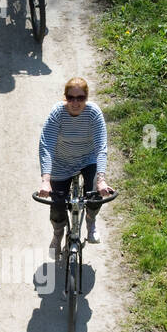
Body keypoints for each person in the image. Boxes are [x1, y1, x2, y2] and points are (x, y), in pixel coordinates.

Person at [38, 78, 112, 249]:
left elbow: (101, 147)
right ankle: (58, 233)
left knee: (94, 192)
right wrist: (46, 180)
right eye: (71, 98)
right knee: (57, 204)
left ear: (87, 97)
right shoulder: (57, 113)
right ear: (65, 97)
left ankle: (90, 221)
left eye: (80, 98)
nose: (75, 102)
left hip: (88, 159)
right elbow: (46, 145)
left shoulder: (93, 113)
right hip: (61, 161)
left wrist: (101, 179)